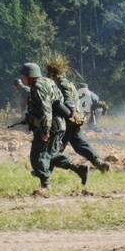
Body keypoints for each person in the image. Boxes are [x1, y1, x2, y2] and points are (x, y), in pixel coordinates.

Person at [19, 62, 89, 192]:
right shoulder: (48, 82)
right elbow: (56, 101)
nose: (22, 79)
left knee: (37, 155)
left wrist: (45, 131)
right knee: (52, 155)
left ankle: (45, 185)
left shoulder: (38, 86)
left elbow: (46, 110)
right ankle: (79, 169)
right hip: (59, 125)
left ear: (30, 76)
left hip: (50, 126)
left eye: (23, 76)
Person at [47, 57, 110, 173]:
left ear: (53, 74)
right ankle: (99, 163)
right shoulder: (69, 84)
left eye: (49, 75)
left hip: (67, 121)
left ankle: (45, 173)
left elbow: (68, 104)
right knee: (80, 145)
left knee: (54, 147)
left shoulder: (62, 84)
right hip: (75, 120)